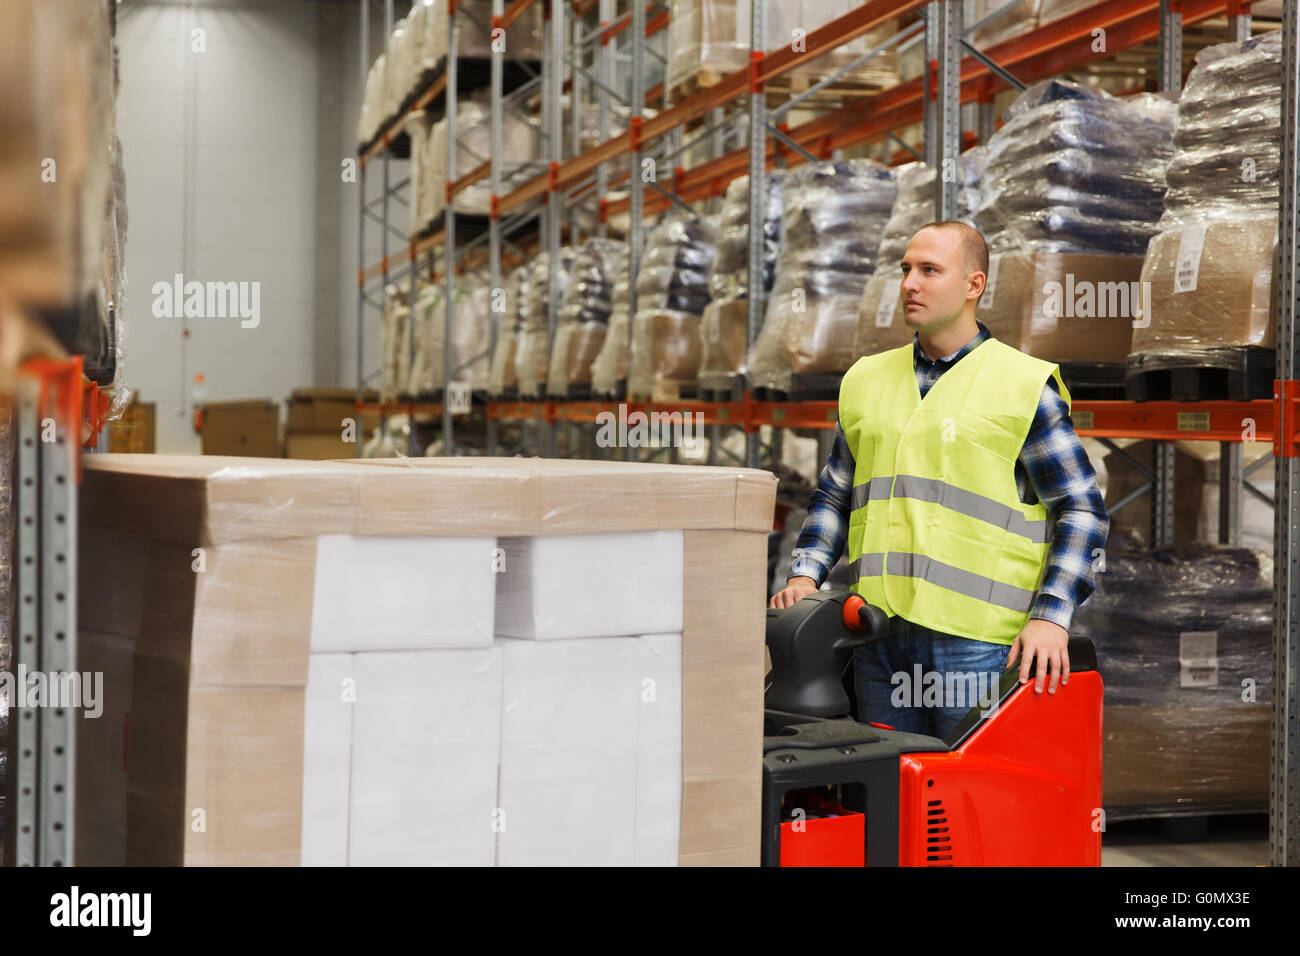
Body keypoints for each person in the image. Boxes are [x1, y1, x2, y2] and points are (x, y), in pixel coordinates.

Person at [769, 221, 1109, 740]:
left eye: (930, 270)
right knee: (891, 788)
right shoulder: (865, 380)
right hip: (875, 635)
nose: (910, 282)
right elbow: (835, 494)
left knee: (971, 797)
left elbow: (1081, 509)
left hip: (979, 644)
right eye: (906, 269)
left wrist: (1052, 616)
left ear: (974, 285)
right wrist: (804, 575)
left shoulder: (1022, 385)